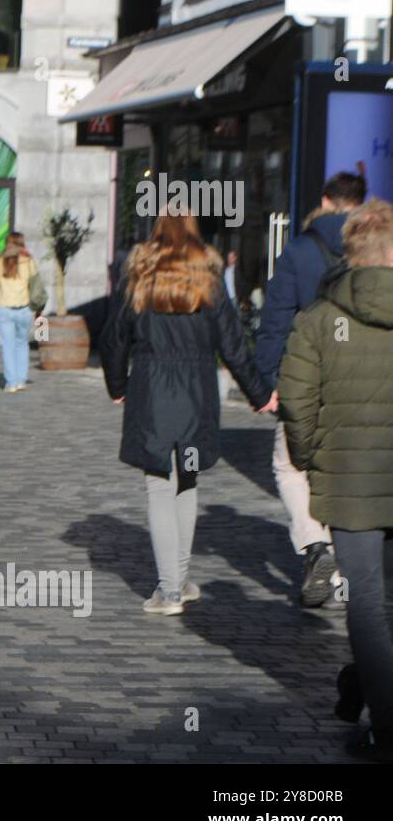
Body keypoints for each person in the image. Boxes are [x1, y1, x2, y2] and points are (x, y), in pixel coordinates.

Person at [101, 210, 272, 615]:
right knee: (187, 482)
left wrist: (118, 387)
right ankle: (178, 580)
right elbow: (233, 346)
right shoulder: (209, 282)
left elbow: (113, 340)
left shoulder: (139, 278)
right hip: (197, 395)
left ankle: (171, 591)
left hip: (152, 394)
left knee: (160, 485)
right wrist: (260, 394)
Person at [278, 198, 393, 763]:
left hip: (349, 480)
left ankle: (382, 715)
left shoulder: (320, 321)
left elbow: (296, 404)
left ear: (350, 253)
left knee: (367, 606)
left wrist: (309, 459)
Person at [257, 171, 366, 607]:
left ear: (323, 200)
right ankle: (343, 574)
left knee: (290, 467)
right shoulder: (373, 249)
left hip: (304, 375)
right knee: (341, 472)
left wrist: (267, 382)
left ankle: (315, 545)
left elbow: (275, 319)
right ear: (361, 202)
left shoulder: (300, 249)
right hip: (358, 378)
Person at [0, 232, 41, 391]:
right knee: (22, 344)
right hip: (24, 309)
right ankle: (21, 379)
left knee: (7, 346)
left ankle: (11, 383)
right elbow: (36, 285)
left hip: (4, 309)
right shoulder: (28, 260)